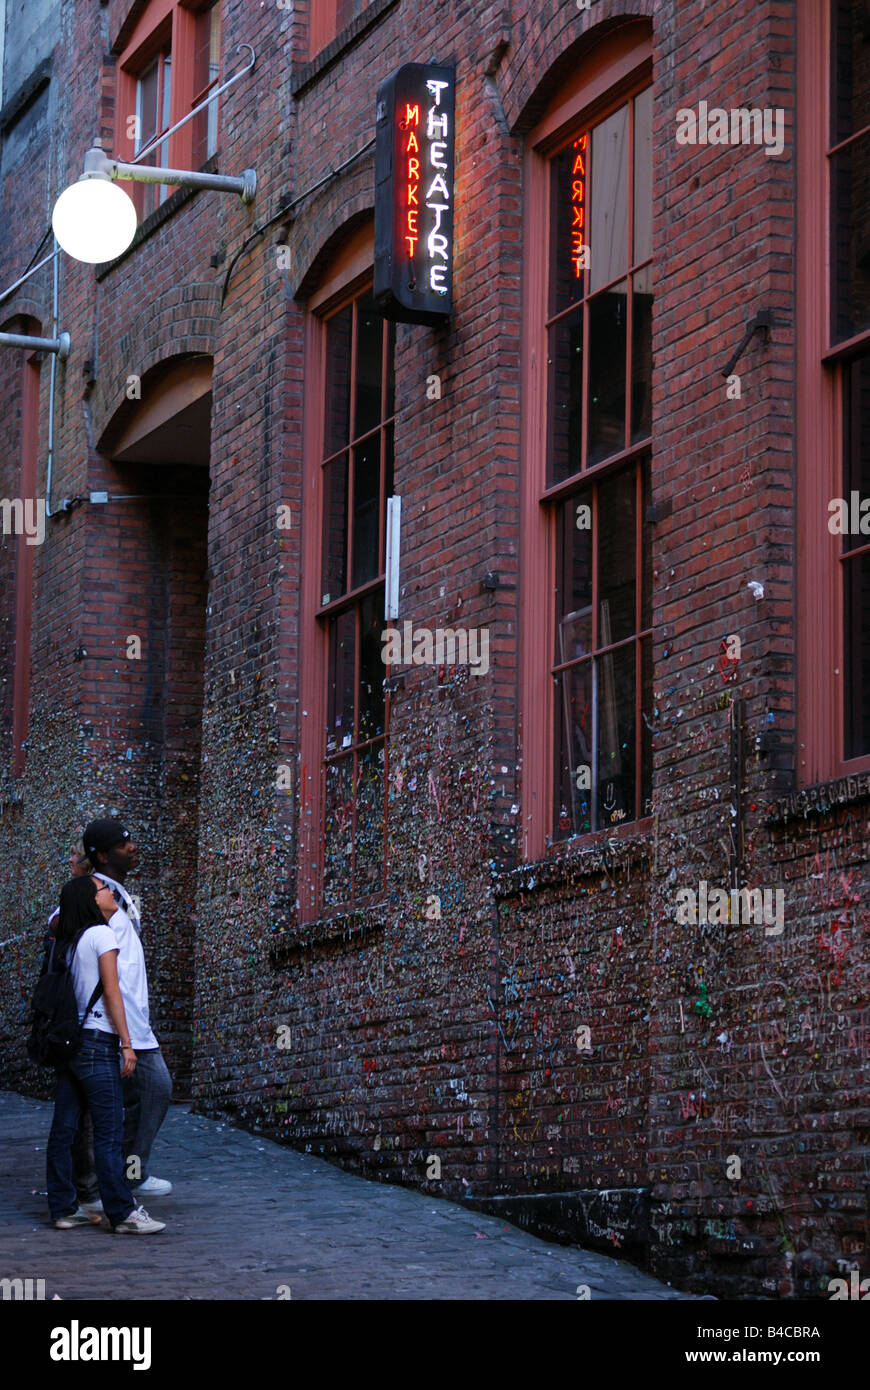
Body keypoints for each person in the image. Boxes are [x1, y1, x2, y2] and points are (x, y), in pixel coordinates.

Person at [45, 876, 165, 1234]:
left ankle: (64, 1208)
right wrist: (127, 1044)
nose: (111, 892)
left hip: (71, 1043)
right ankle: (123, 1213)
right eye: (102, 890)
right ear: (91, 901)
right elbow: (113, 992)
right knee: (109, 1132)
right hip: (98, 1043)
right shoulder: (102, 934)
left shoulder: (71, 939)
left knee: (64, 1128)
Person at [84, 818, 173, 1198]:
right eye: (124, 844)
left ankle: (129, 1172)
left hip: (134, 1019)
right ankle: (99, 1184)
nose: (133, 847)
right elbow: (66, 928)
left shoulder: (118, 893)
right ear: (103, 855)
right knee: (151, 1088)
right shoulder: (96, 894)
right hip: (113, 1020)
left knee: (143, 1094)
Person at [42, 838, 101, 1216]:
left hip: (64, 1033)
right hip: (90, 1036)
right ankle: (105, 1195)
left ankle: (64, 1205)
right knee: (102, 1120)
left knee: (67, 1120)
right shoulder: (94, 937)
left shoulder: (69, 940)